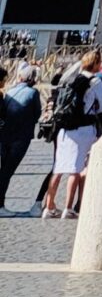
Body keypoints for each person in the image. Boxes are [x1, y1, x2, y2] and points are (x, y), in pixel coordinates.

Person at [43, 51, 102, 220]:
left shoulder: (70, 79)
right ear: (96, 63)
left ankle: (49, 206)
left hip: (64, 129)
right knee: (76, 169)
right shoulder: (95, 81)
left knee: (58, 169)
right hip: (83, 128)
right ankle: (68, 208)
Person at [0, 63, 42, 211]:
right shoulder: (33, 93)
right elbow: (37, 114)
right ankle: (0, 204)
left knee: (3, 170)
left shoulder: (10, 91)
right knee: (7, 172)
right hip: (21, 137)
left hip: (5, 136)